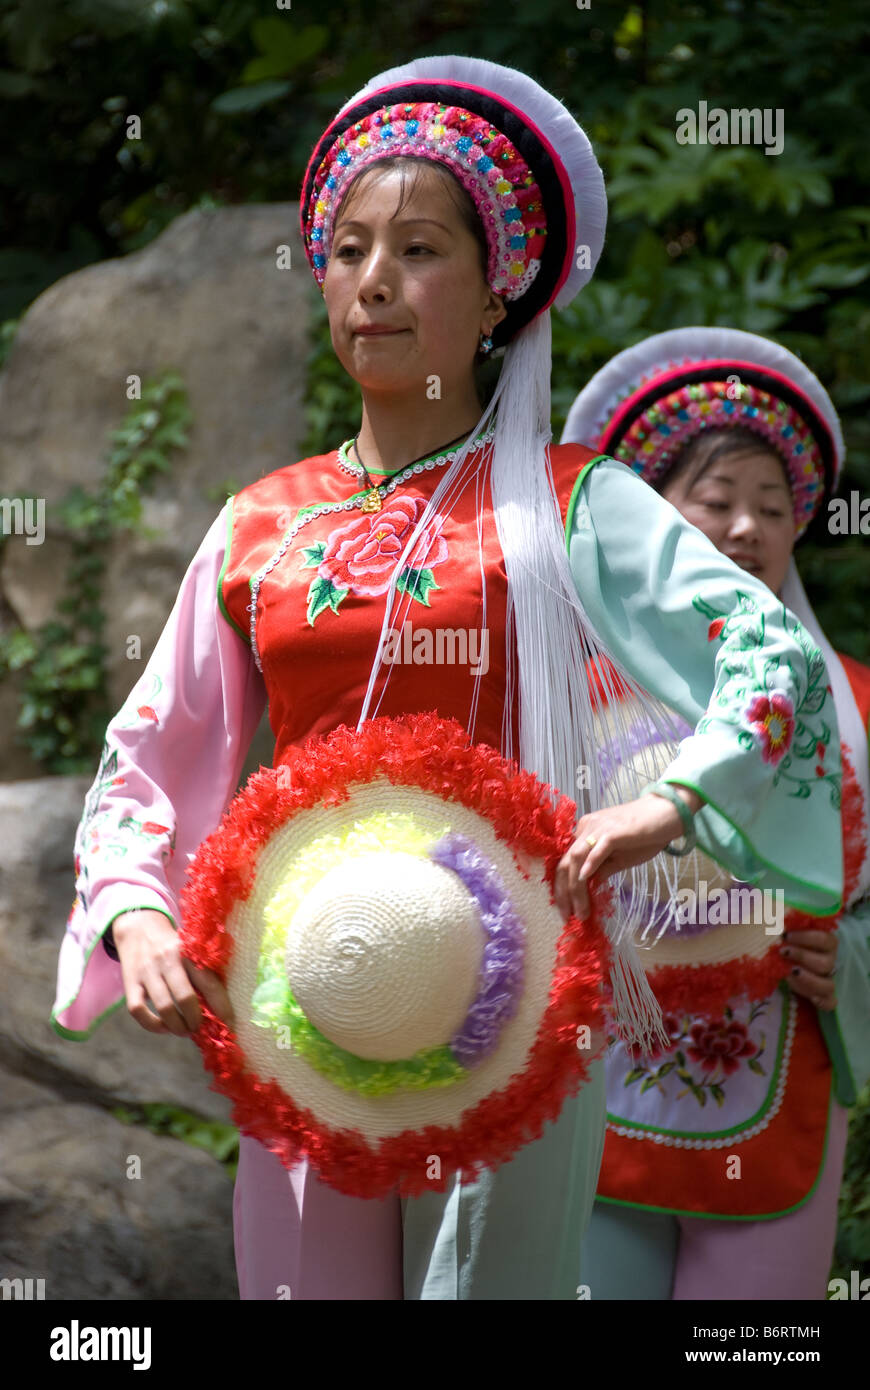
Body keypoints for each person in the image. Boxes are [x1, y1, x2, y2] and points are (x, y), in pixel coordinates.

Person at [52, 62, 845, 1301]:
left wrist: (676, 800)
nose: (375, 279)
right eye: (349, 248)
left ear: (496, 295)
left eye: (419, 249)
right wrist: (135, 909)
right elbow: (152, 742)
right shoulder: (265, 524)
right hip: (304, 981)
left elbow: (769, 647)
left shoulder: (577, 499)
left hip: (520, 1000)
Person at [561, 325, 870, 1300]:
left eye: (772, 508)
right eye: (716, 502)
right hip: (592, 1091)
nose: (745, 529)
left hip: (779, 1089)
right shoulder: (571, 690)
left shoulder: (856, 706)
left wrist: (853, 960)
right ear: (651, 520)